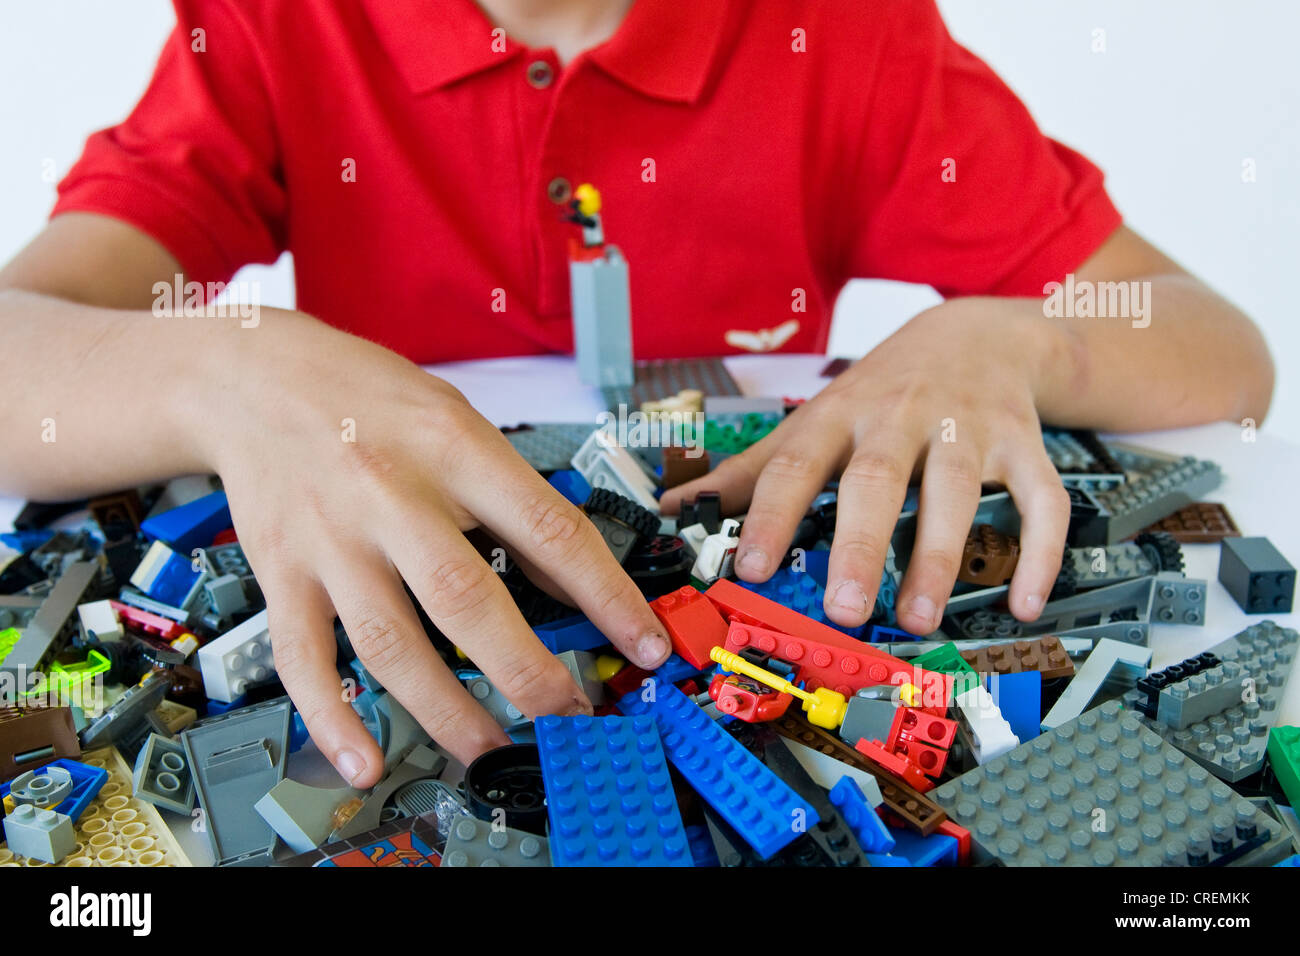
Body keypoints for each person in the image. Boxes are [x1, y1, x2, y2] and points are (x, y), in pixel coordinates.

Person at [0, 0, 1273, 789]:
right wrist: (230, 365)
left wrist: (1000, 335)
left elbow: (1223, 349)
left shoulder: (842, 33)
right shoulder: (282, 26)